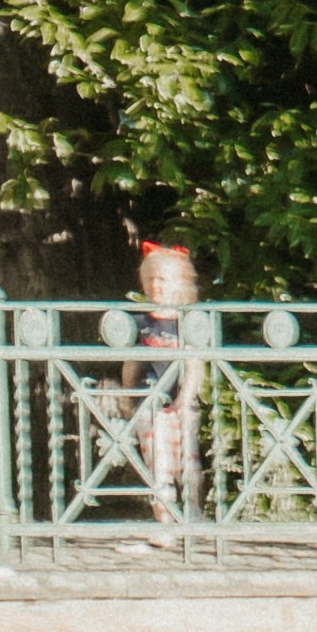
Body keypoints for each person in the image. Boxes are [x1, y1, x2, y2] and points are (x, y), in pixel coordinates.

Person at [121, 228, 200, 539]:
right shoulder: (142, 322)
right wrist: (128, 396)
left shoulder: (185, 322)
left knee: (188, 460)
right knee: (158, 458)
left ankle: (192, 515)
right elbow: (132, 362)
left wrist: (187, 398)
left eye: (163, 281)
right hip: (149, 401)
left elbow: (194, 365)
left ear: (178, 285)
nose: (156, 286)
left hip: (179, 400)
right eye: (152, 279)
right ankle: (164, 520)